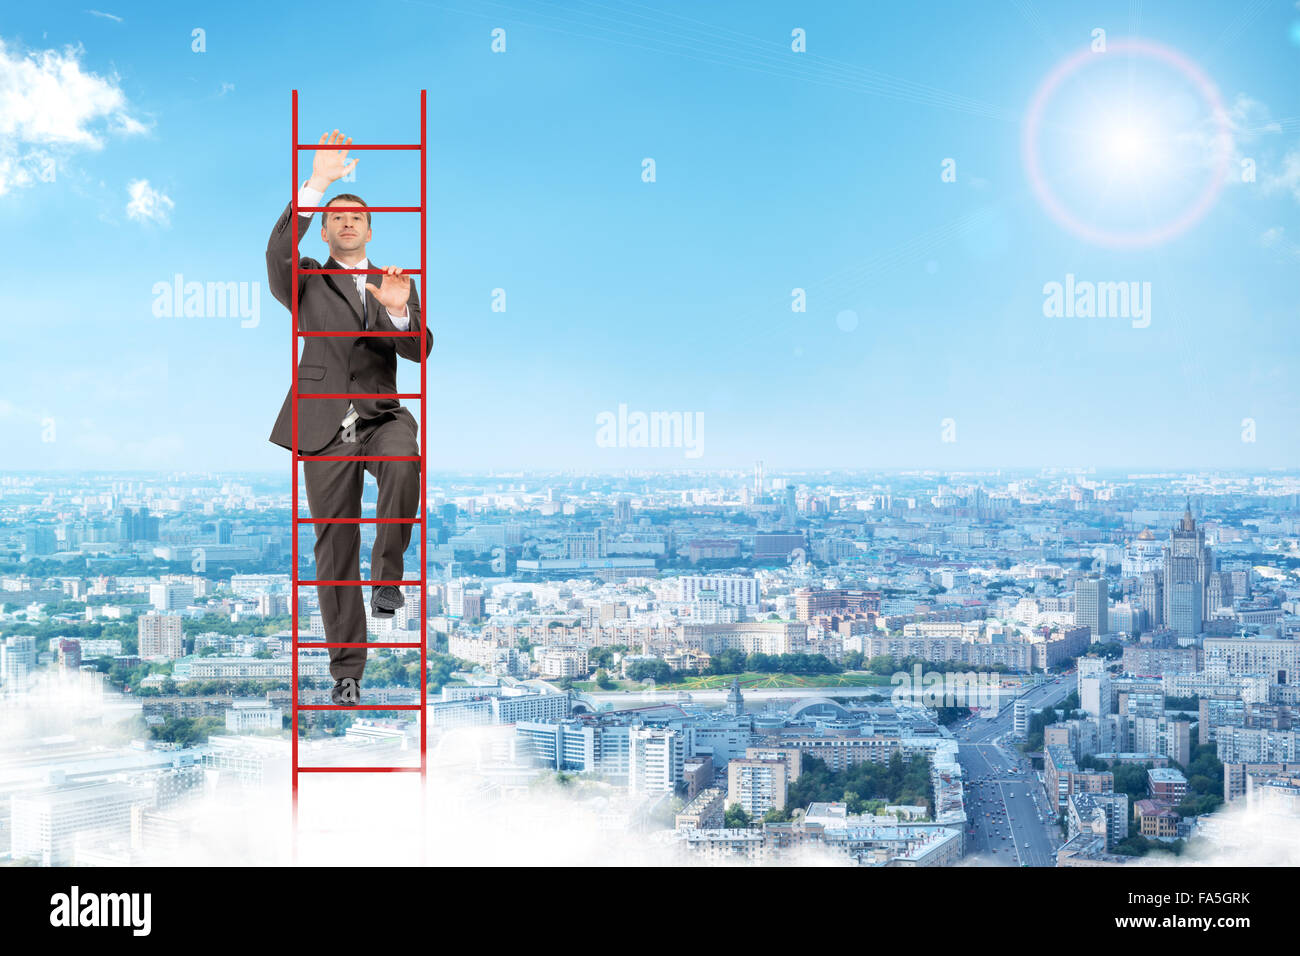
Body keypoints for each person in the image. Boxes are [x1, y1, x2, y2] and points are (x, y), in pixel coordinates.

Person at [266, 130, 432, 706]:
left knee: (404, 460)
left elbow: (420, 350)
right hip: (323, 422)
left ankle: (388, 580)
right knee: (335, 545)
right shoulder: (308, 279)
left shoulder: (395, 283)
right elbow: (277, 255)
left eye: (355, 217)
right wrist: (317, 184)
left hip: (382, 415)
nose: (345, 223)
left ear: (370, 229)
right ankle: (347, 672)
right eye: (335, 217)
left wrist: (400, 312)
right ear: (325, 229)